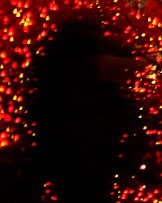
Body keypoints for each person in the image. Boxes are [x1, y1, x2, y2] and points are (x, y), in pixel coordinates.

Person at [26, 11, 141, 203]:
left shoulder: (54, 63)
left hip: (63, 148)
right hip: (91, 148)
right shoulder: (93, 64)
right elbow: (136, 67)